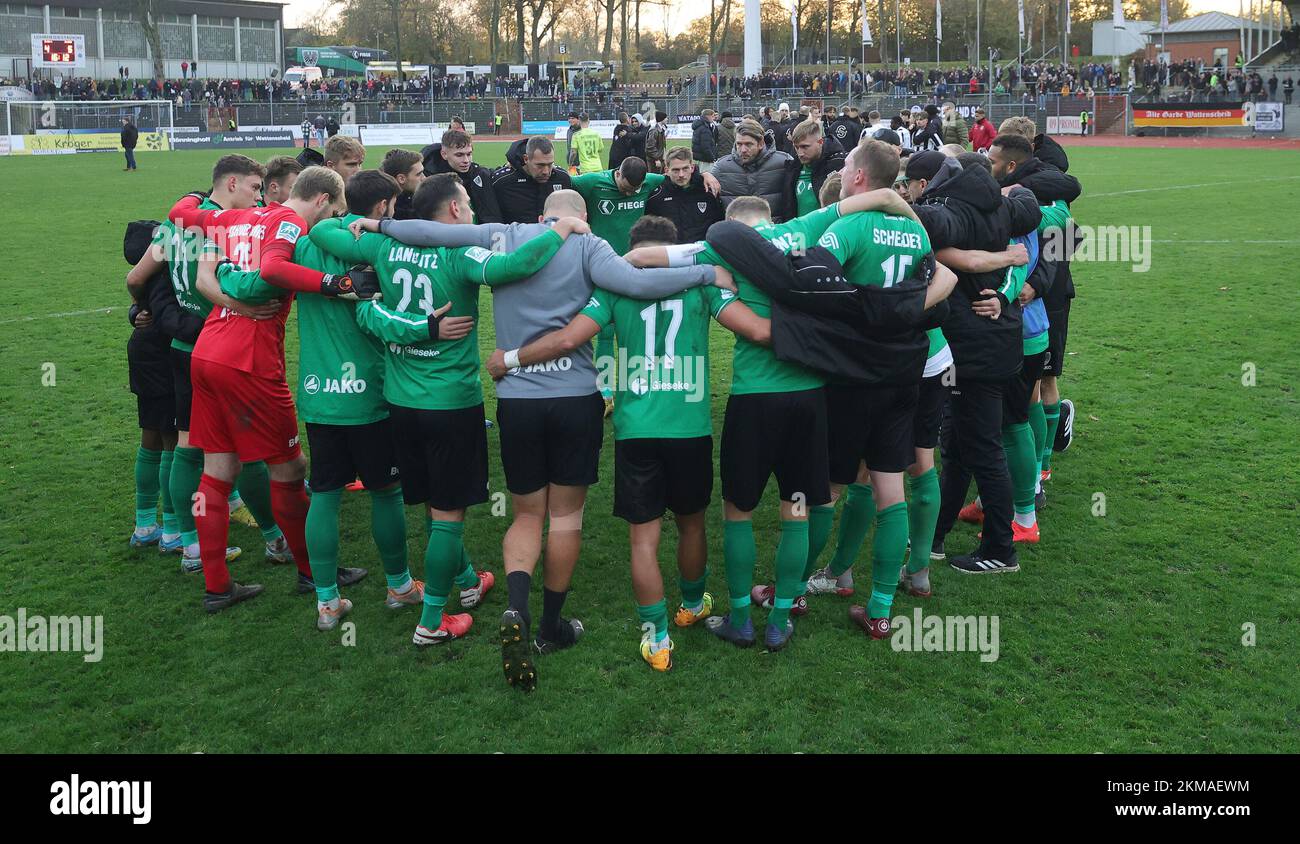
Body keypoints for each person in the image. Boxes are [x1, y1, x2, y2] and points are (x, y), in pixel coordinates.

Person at [359, 188, 728, 689]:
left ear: (542, 216)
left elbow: (434, 232)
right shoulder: (589, 245)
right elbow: (635, 285)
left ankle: (516, 607)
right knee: (566, 518)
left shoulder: (505, 235)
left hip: (518, 400)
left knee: (527, 513)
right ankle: (551, 625)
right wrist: (706, 272)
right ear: (581, 219)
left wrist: (382, 226)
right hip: (574, 400)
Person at [305, 174, 587, 644]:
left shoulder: (384, 248)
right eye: (469, 206)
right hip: (452, 402)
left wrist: (370, 225)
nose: (474, 213)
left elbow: (319, 231)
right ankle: (433, 622)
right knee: (449, 512)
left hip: (399, 400)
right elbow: (514, 265)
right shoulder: (460, 252)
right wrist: (562, 228)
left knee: (431, 505)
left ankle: (463, 582)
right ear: (454, 212)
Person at [484, 215, 768, 672]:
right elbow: (752, 326)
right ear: (674, 250)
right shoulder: (700, 286)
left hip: (636, 429)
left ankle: (656, 638)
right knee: (692, 524)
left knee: (643, 539)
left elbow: (569, 339)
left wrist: (511, 359)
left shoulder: (614, 289)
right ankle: (693, 604)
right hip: (689, 425)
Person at [213, 170, 435, 631]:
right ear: (379, 209)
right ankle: (399, 585)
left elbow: (252, 285)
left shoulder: (303, 246)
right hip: (370, 393)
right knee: (386, 491)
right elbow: (385, 318)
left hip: (319, 393)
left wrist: (224, 269)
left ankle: (327, 601)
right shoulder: (372, 249)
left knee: (327, 494)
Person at [168, 166, 376, 612]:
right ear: (322, 201)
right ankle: (311, 571)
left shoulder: (242, 218)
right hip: (249, 360)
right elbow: (275, 269)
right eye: (334, 212)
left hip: (206, 352)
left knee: (218, 471)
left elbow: (179, 213)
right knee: (290, 467)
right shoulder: (290, 224)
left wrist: (193, 200)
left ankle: (218, 586)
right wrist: (336, 283)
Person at [127, 155, 287, 574]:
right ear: (230, 183)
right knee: (237, 448)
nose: (258, 198)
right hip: (222, 342)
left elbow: (135, 277)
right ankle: (272, 536)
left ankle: (183, 539)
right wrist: (243, 308)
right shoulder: (221, 226)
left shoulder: (176, 224)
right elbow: (211, 283)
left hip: (181, 346)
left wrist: (141, 309)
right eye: (254, 188)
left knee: (185, 446)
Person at [905, 150, 1041, 575]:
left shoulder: (955, 214)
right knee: (959, 447)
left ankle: (1001, 548)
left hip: (974, 350)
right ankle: (936, 535)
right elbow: (1033, 206)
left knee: (981, 448)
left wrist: (894, 204)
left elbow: (928, 224)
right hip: (998, 343)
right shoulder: (1003, 209)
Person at [711, 120, 793, 222]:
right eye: (739, 144)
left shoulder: (784, 162)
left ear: (761, 143)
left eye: (748, 144)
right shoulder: (721, 167)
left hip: (773, 233)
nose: (743, 149)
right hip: (737, 234)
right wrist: (704, 175)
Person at [420, 128, 503, 223]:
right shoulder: (427, 177)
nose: (466, 160)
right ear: (444, 154)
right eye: (459, 155)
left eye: (469, 154)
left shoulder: (478, 174)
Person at [645, 147, 725, 244]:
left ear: (692, 167)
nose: (681, 174)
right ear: (666, 170)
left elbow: (719, 223)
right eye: (676, 170)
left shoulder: (707, 190)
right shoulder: (657, 195)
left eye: (685, 168)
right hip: (671, 254)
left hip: (701, 253)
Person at [492, 136, 573, 224]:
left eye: (550, 164)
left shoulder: (562, 178)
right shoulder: (503, 181)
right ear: (526, 159)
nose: (546, 171)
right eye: (540, 165)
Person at [781, 119, 846, 220]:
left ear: (820, 142)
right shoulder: (793, 168)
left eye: (804, 147)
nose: (800, 153)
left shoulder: (839, 164)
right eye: (796, 147)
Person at [380, 148, 426, 220]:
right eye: (418, 174)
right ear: (401, 179)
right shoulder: (392, 210)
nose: (424, 178)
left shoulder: (410, 196)